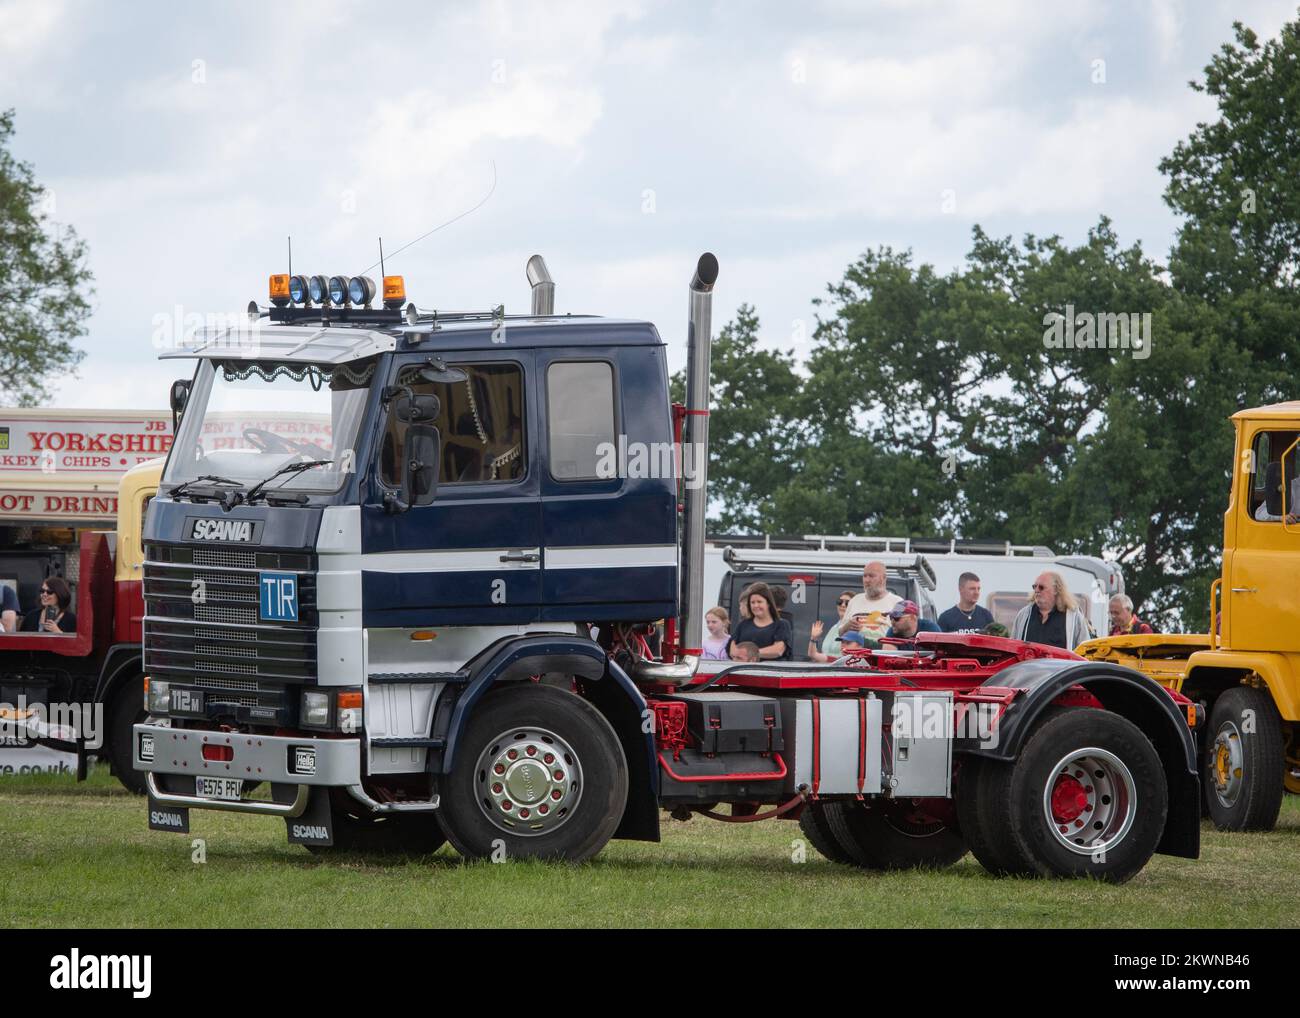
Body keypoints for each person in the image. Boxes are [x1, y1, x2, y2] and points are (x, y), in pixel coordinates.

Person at [1011, 571, 1088, 650]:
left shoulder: (1073, 617)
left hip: (1062, 662)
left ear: (1056, 590)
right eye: (1034, 586)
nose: (1036, 590)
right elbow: (1012, 647)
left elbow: (1085, 650)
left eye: (1041, 587)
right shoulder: (1023, 615)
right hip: (1029, 662)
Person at [728, 582, 793, 661]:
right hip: (743, 671)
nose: (756, 606)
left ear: (768, 603)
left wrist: (749, 654)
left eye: (759, 602)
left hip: (770, 672)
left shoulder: (781, 624)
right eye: (752, 602)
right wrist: (739, 655)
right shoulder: (743, 625)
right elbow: (732, 648)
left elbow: (778, 650)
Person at [840, 561, 902, 643]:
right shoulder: (855, 600)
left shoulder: (898, 603)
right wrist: (846, 627)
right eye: (865, 576)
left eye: (871, 576)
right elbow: (840, 633)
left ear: (883, 578)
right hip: (855, 655)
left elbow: (903, 635)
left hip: (882, 654)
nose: (867, 580)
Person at [808, 589, 855, 662]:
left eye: (847, 603)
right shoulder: (834, 627)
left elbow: (848, 659)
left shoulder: (854, 628)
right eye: (840, 602)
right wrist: (813, 638)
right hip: (826, 671)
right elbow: (813, 654)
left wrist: (828, 660)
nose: (842, 605)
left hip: (840, 671)